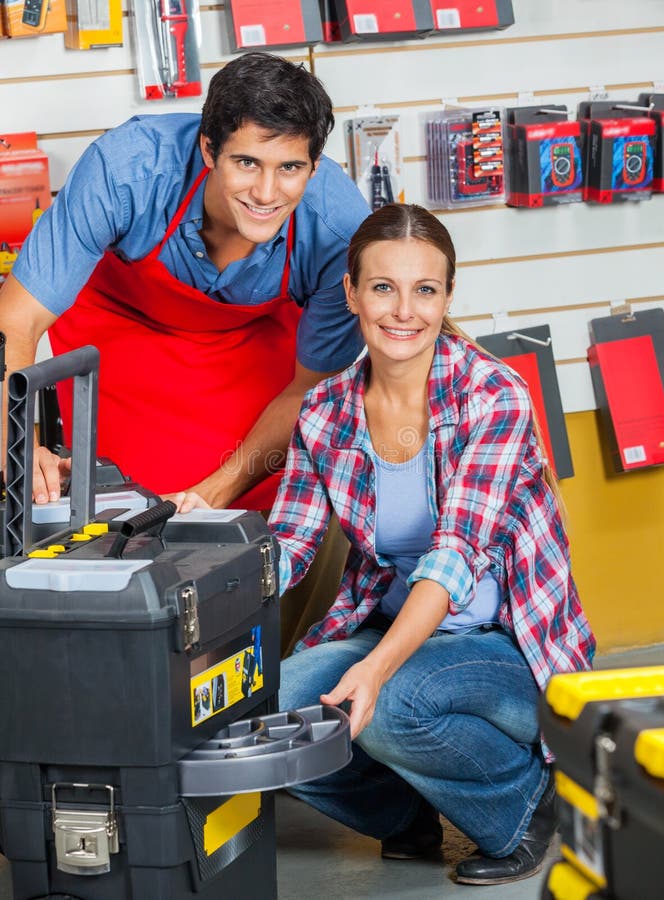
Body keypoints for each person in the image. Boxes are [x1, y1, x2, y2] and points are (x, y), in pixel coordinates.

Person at [267, 203, 596, 885]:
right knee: (267, 712)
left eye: (425, 290)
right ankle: (403, 817)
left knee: (384, 701)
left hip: (506, 648)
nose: (403, 311)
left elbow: (452, 558)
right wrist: (196, 575)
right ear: (352, 292)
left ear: (446, 296)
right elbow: (289, 545)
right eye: (383, 287)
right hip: (393, 630)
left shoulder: (491, 395)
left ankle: (524, 807)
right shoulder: (325, 412)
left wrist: (374, 671)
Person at [0, 51, 370, 652]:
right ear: (207, 150)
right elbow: (14, 319)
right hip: (118, 329)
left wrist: (211, 496)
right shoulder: (128, 168)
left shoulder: (339, 232)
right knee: (126, 522)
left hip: (253, 353)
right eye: (246, 162)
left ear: (315, 164)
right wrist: (16, 447)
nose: (267, 192)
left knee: (246, 530)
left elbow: (308, 391)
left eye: (290, 169)